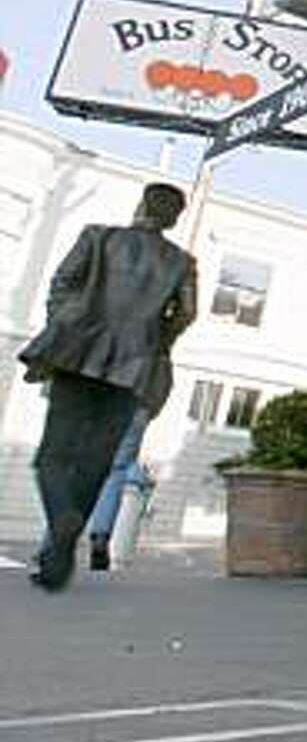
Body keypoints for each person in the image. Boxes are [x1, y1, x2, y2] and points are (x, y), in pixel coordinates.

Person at [18, 184, 198, 591]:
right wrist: (156, 341)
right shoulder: (181, 262)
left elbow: (62, 281)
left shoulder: (98, 237)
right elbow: (186, 314)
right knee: (98, 463)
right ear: (173, 219)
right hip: (133, 367)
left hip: (78, 356)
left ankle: (61, 522)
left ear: (141, 205)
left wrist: (66, 323)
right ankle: (62, 547)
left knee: (53, 456)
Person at [85, 406, 154, 572]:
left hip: (95, 400)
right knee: (115, 472)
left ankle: (55, 539)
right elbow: (162, 383)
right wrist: (149, 409)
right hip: (137, 403)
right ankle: (100, 536)